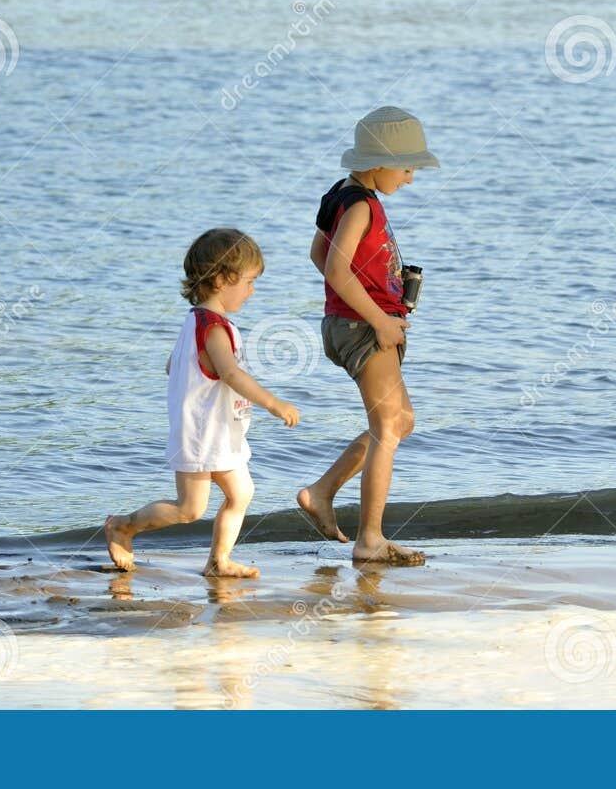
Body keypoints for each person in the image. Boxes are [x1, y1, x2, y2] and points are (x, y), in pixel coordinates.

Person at [104, 229, 299, 578]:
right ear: (223, 280)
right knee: (190, 508)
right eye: (250, 282)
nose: (252, 291)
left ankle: (218, 561)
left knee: (241, 492)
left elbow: (172, 364)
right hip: (200, 435)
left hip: (223, 431)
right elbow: (231, 374)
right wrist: (274, 403)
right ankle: (123, 526)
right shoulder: (213, 328)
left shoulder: (198, 320)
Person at [297, 106, 438, 565]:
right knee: (387, 428)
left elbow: (319, 254)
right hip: (362, 329)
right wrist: (377, 317)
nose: (411, 178)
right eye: (408, 167)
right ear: (379, 163)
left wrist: (354, 296)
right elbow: (336, 268)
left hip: (348, 323)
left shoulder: (339, 194)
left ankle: (322, 492)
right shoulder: (361, 204)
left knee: (402, 421)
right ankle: (370, 540)